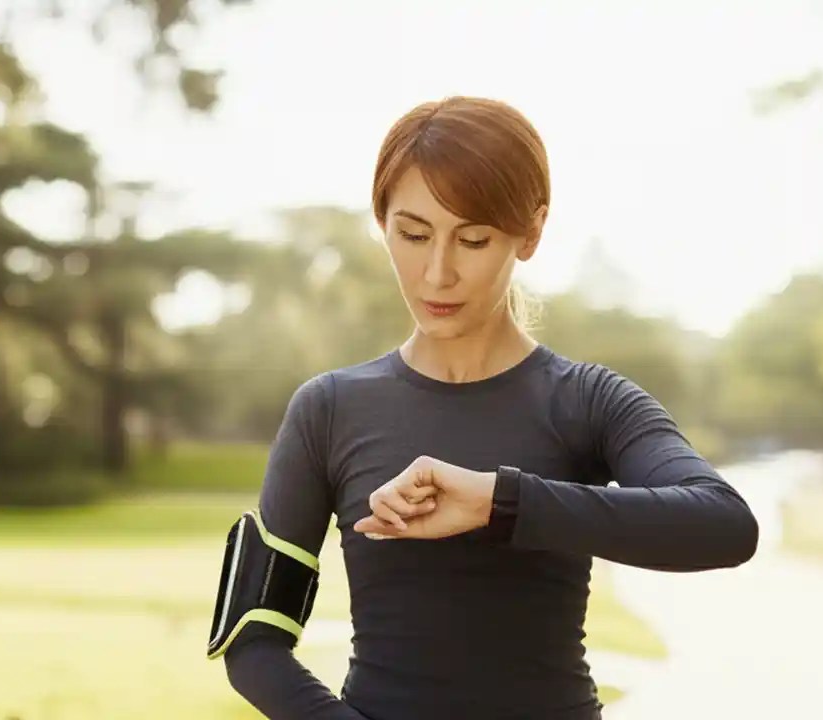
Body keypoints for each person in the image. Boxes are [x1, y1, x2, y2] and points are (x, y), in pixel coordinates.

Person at [208, 96, 759, 720]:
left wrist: (498, 502)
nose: (436, 273)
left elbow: (723, 524)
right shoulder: (329, 409)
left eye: (472, 239)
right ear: (382, 221)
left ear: (531, 232)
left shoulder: (588, 399)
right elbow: (252, 641)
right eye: (412, 234)